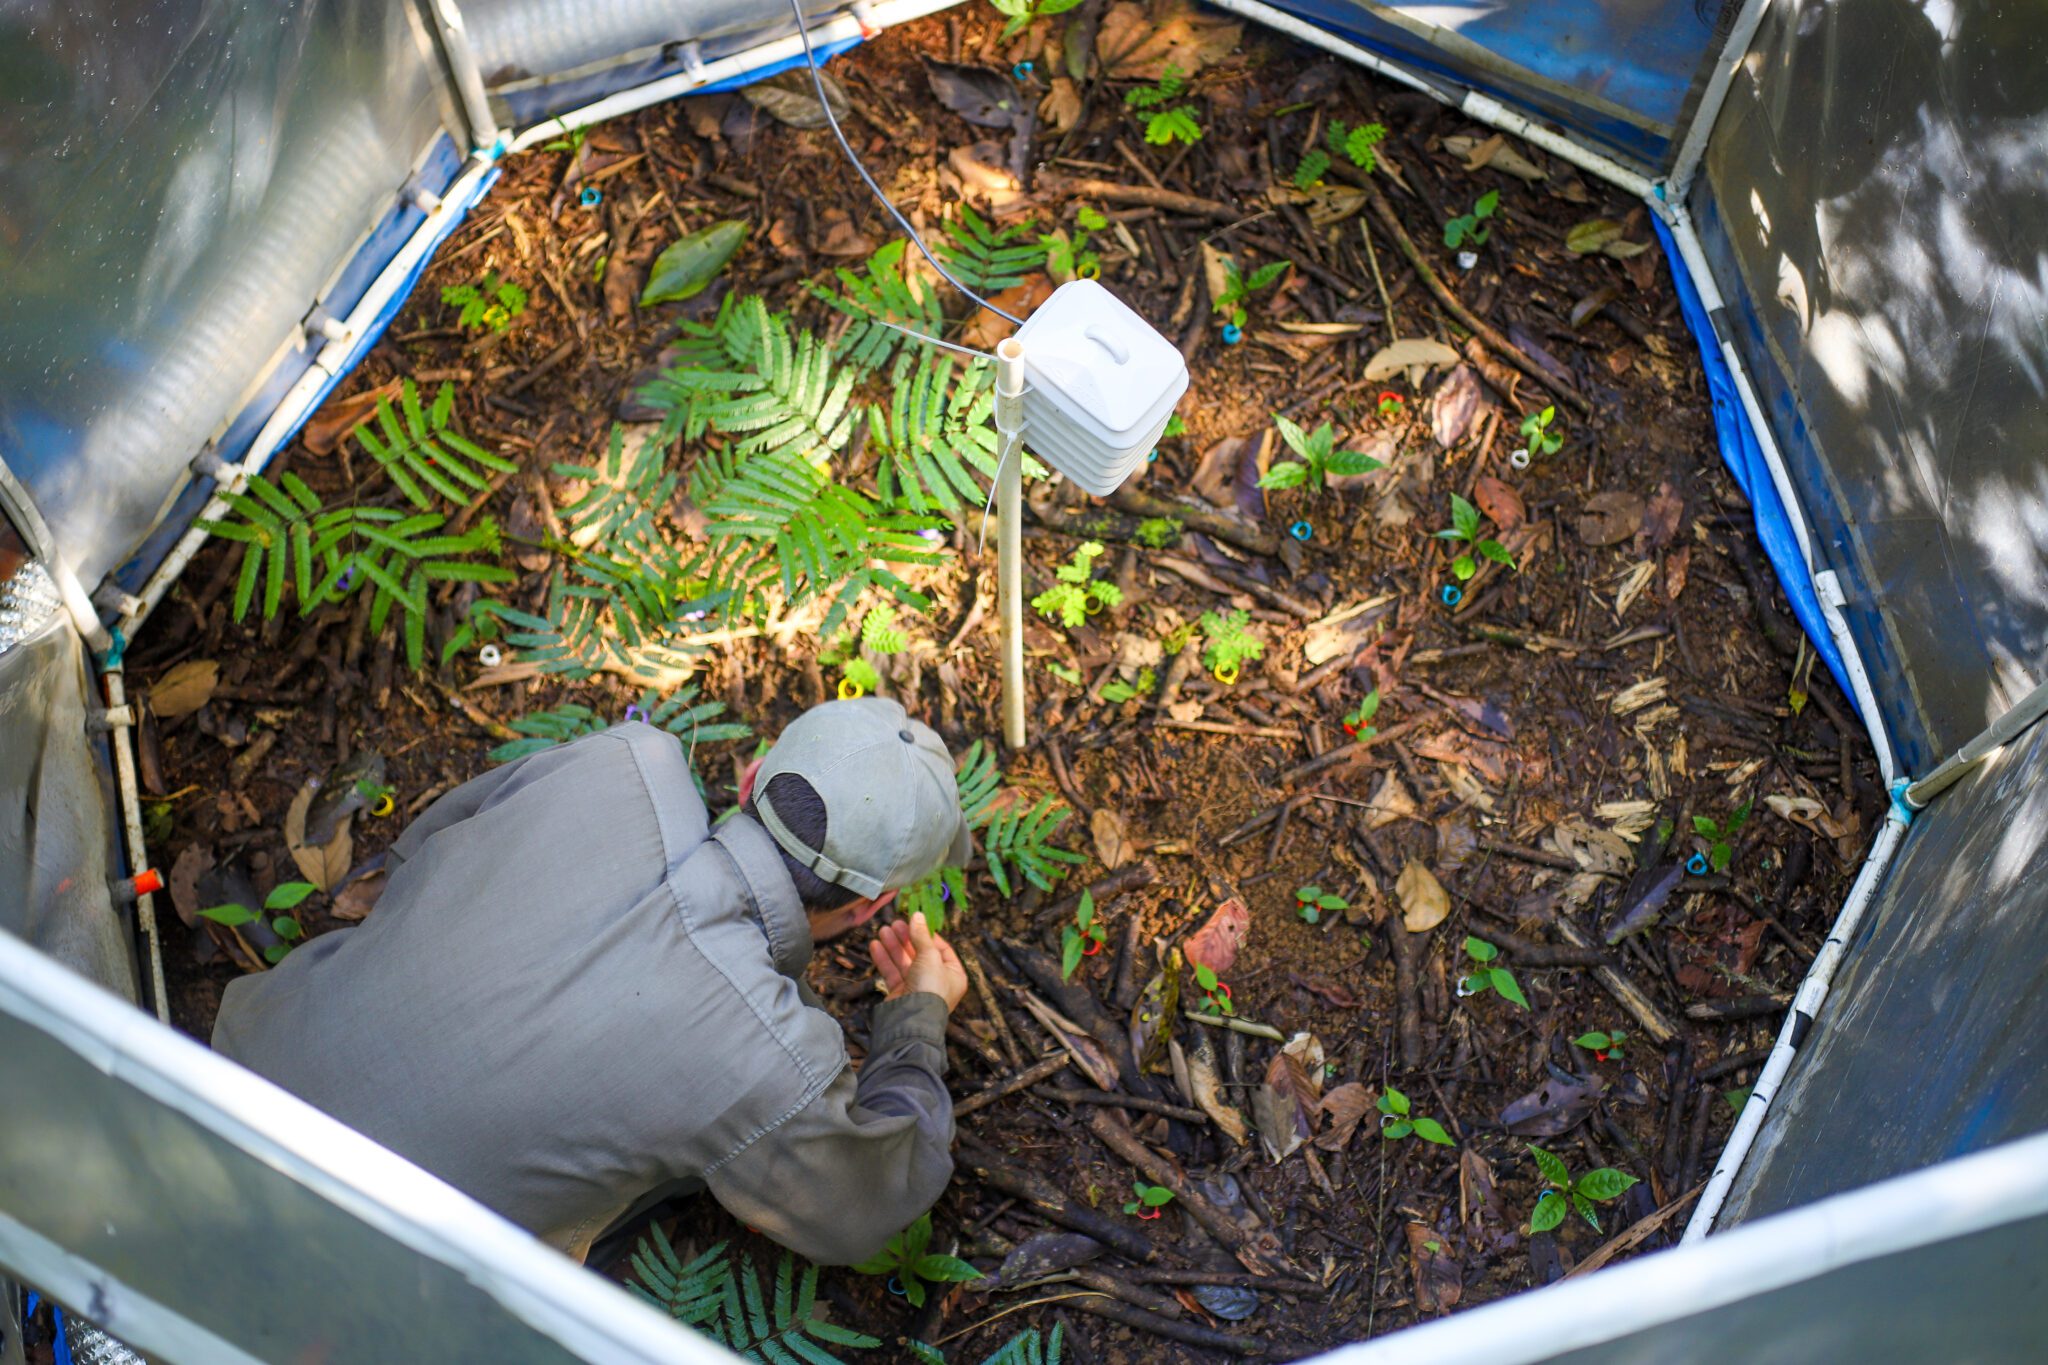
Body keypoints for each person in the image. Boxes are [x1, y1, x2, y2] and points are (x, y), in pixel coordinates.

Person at [212, 697, 972, 1266]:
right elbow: (868, 1206)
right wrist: (917, 1019)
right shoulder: (771, 1060)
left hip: (224, 1070)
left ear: (752, 778)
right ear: (872, 903)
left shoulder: (622, 760)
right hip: (337, 1286)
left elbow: (420, 856)